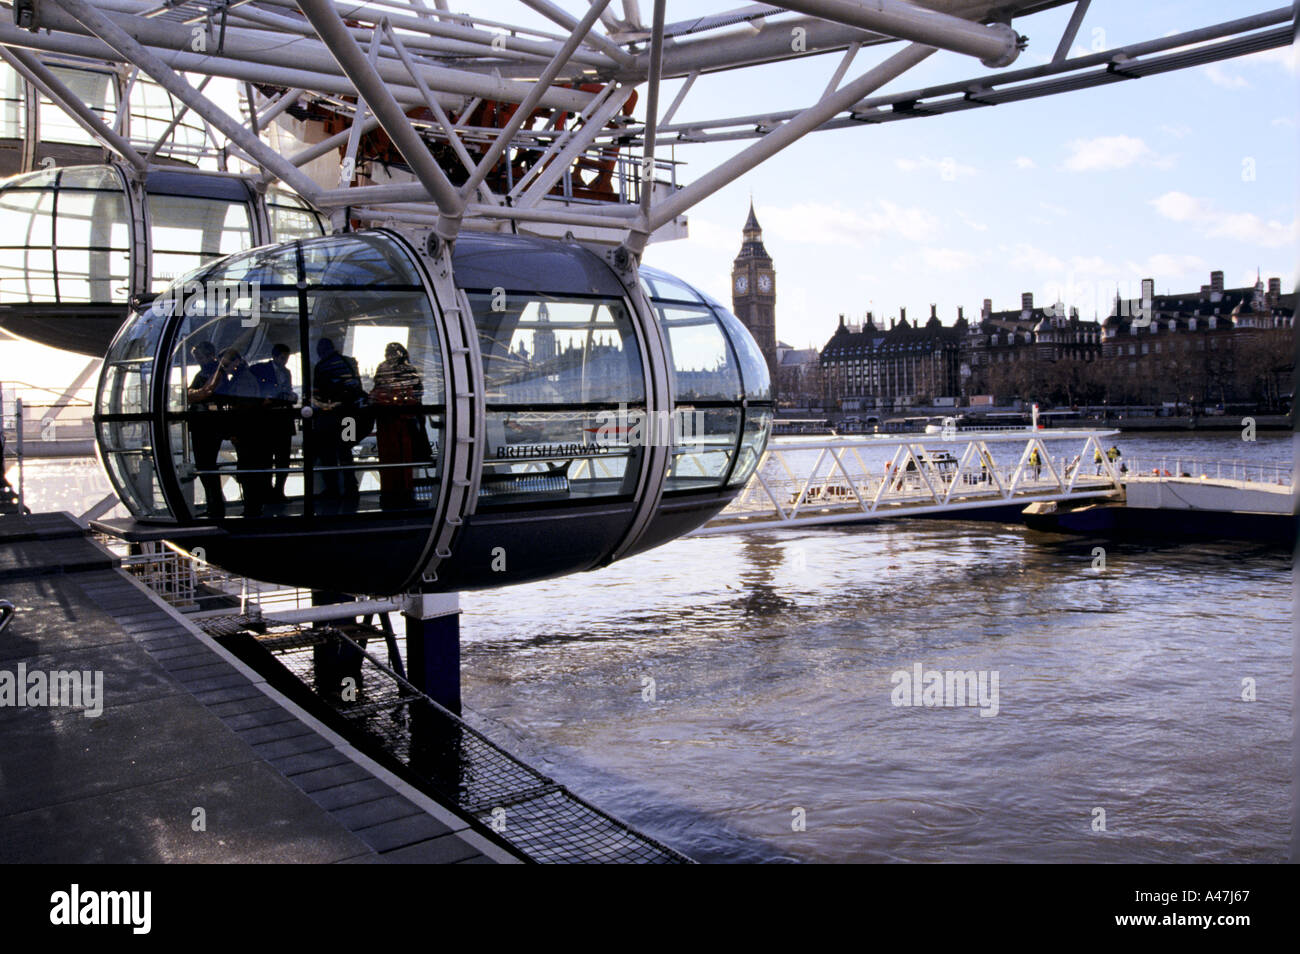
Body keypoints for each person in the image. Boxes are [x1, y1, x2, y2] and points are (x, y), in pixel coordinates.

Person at [370, 342, 429, 509]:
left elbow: (376, 390)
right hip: (405, 420)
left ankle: (389, 493)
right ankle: (405, 493)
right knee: (404, 458)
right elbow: (418, 393)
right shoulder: (409, 369)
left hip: (386, 421)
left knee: (388, 459)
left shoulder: (382, 368)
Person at [214, 348, 269, 517]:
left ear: (236, 362)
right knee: (249, 469)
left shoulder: (243, 380)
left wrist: (235, 431)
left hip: (247, 434)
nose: (224, 368)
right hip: (249, 432)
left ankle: (252, 507)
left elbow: (244, 410)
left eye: (226, 364)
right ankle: (253, 506)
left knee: (248, 469)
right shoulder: (243, 378)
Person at [312, 337, 366, 508]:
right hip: (350, 416)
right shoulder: (349, 363)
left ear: (320, 351)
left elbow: (318, 394)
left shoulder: (321, 367)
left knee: (327, 451)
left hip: (330, 417)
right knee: (345, 450)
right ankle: (351, 488)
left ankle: (333, 489)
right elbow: (357, 387)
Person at [186, 341, 227, 520]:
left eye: (200, 357)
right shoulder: (208, 371)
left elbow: (204, 392)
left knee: (207, 465)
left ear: (210, 355)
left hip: (207, 426)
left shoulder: (213, 372)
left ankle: (216, 507)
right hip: (204, 425)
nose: (198, 360)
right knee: (205, 465)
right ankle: (214, 505)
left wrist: (192, 393)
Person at [251, 343, 297, 502]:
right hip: (272, 421)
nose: (284, 361)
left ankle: (277, 491)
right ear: (275, 356)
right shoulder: (259, 369)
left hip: (279, 421)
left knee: (282, 459)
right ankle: (271, 491)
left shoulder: (284, 372)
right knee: (268, 458)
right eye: (283, 358)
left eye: (286, 358)